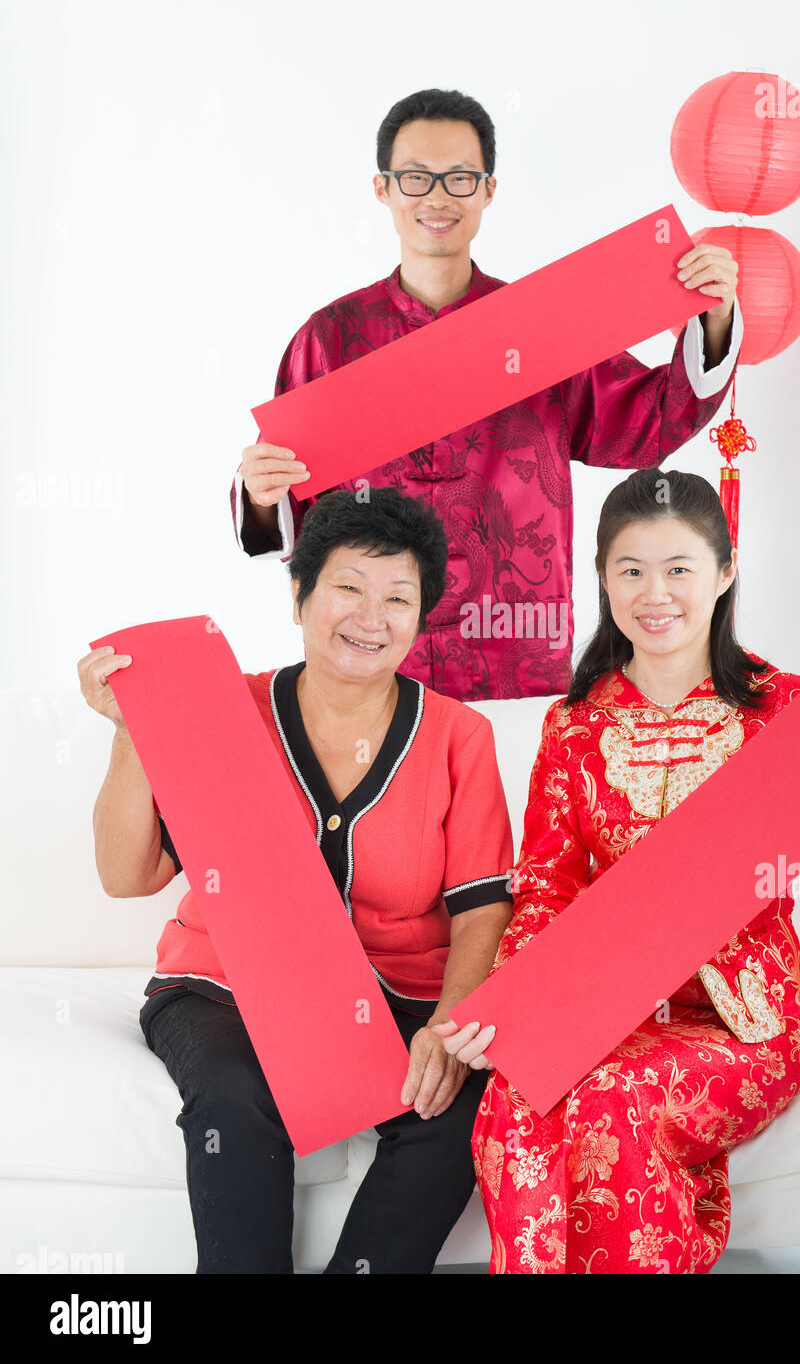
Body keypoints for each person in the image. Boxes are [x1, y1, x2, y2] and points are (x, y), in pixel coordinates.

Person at [434, 466, 800, 1274]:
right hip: (601, 1007)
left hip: (745, 1020)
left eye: (679, 568)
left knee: (614, 1104)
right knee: (517, 1103)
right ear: (603, 581)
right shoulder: (574, 725)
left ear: (723, 574)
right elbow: (547, 886)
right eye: (631, 570)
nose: (656, 593)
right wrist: (525, 1008)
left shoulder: (785, 710)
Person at [79, 486, 514, 1274]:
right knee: (235, 1097)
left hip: (399, 994)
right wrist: (131, 730)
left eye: (398, 598)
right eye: (347, 587)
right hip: (224, 988)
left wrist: (450, 1027)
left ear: (421, 618)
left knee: (459, 1112)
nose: (369, 617)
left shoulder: (459, 735)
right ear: (299, 595)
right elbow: (125, 875)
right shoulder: (222, 708)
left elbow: (483, 909)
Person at [233, 87, 743, 702]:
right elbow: (287, 498)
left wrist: (712, 320)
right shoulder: (329, 339)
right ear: (384, 188)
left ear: (488, 189)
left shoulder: (538, 326)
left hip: (516, 651)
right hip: (371, 653)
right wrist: (263, 494)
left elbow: (644, 423)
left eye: (460, 178)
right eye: (416, 178)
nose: (438, 197)